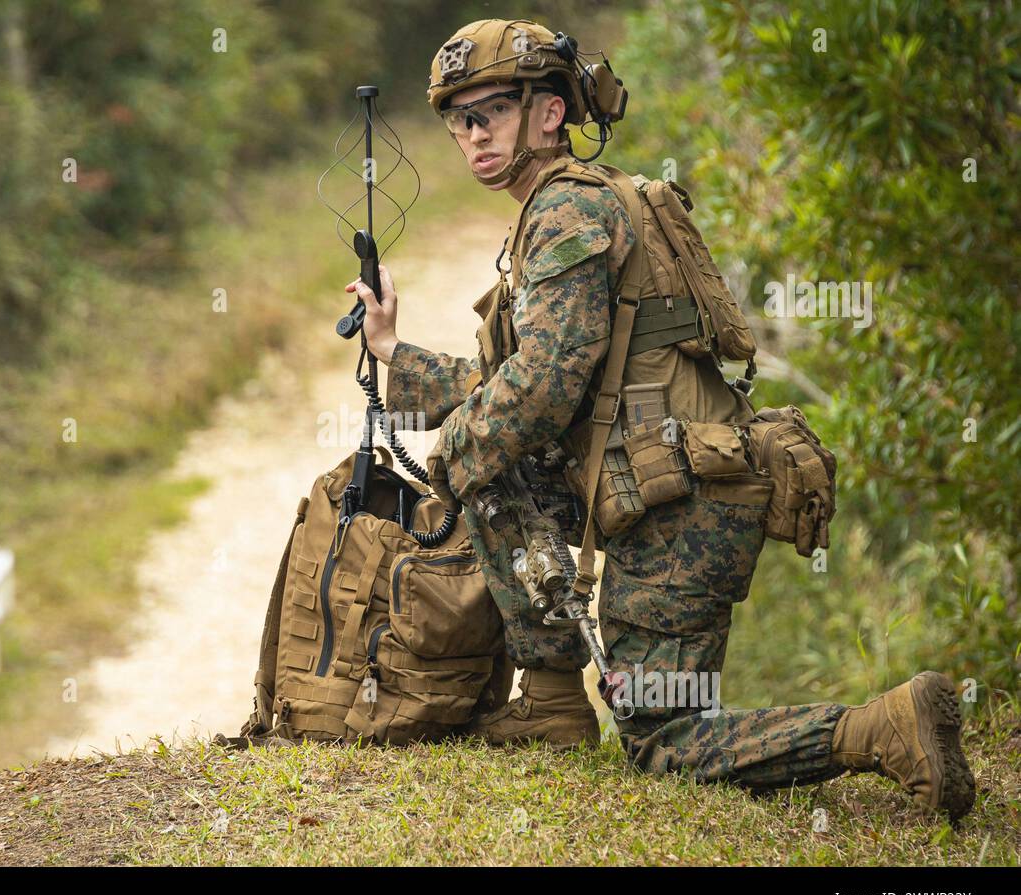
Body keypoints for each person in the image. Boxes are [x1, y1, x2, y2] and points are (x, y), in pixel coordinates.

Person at [345, 18, 976, 820]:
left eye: (493, 109)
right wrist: (394, 352)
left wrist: (454, 449)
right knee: (491, 455)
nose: (474, 134)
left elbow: (537, 393)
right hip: (665, 479)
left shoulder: (567, 213)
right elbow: (525, 381)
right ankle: (550, 703)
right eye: (459, 119)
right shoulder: (574, 203)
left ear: (549, 113)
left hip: (685, 503)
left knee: (665, 738)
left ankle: (881, 730)